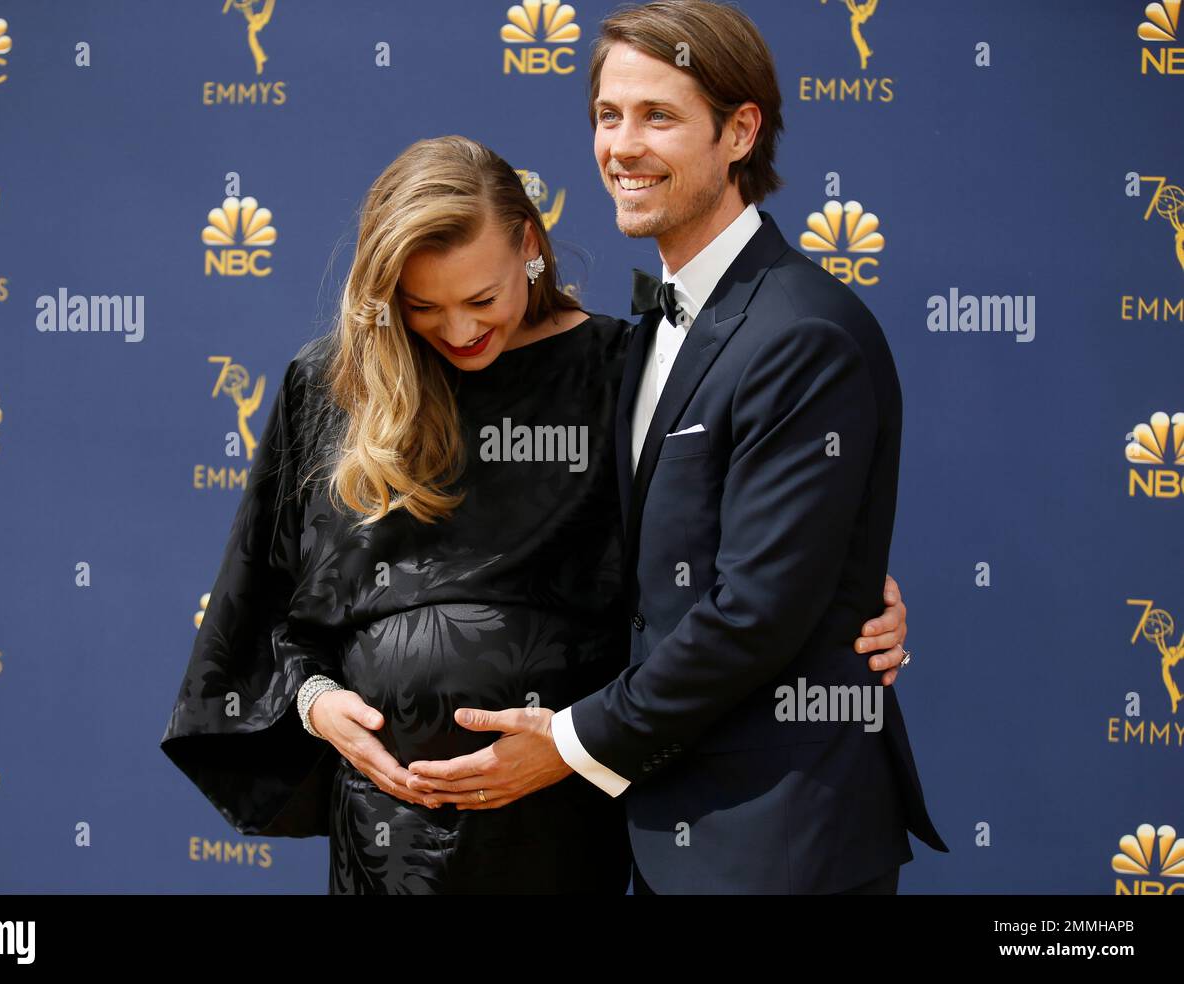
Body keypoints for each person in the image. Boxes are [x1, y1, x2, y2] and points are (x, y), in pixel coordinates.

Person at [159, 132, 913, 894]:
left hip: (565, 820)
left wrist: (844, 596)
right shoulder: (329, 386)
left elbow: (735, 559)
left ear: (529, 247)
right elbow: (263, 610)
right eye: (424, 307)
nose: (459, 331)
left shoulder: (624, 369)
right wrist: (318, 705)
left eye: (482, 299)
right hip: (387, 834)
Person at [403, 1, 947, 895]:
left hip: (775, 845)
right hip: (666, 835)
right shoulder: (646, 332)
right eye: (608, 117)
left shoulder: (802, 334)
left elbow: (756, 614)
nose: (623, 147)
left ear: (740, 133)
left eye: (659, 117)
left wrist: (567, 747)